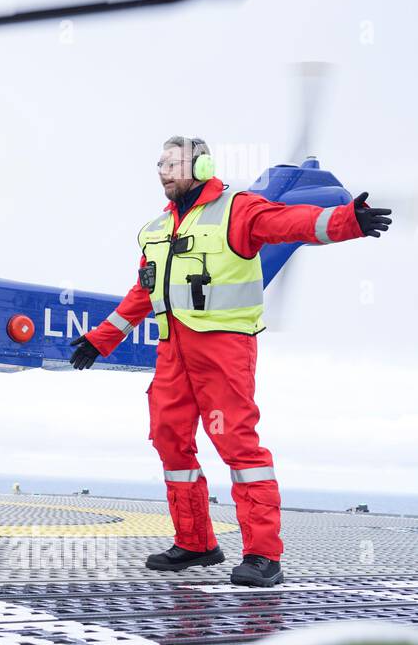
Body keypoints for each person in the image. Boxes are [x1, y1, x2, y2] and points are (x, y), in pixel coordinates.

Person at [69, 136, 392, 587]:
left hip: (222, 353)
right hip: (173, 354)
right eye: (159, 163)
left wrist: (346, 220)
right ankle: (196, 543)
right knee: (169, 441)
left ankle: (263, 555)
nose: (163, 171)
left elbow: (291, 222)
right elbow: (143, 293)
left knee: (239, 448)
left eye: (173, 163)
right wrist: (99, 341)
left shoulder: (237, 209)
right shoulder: (156, 230)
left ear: (201, 166)